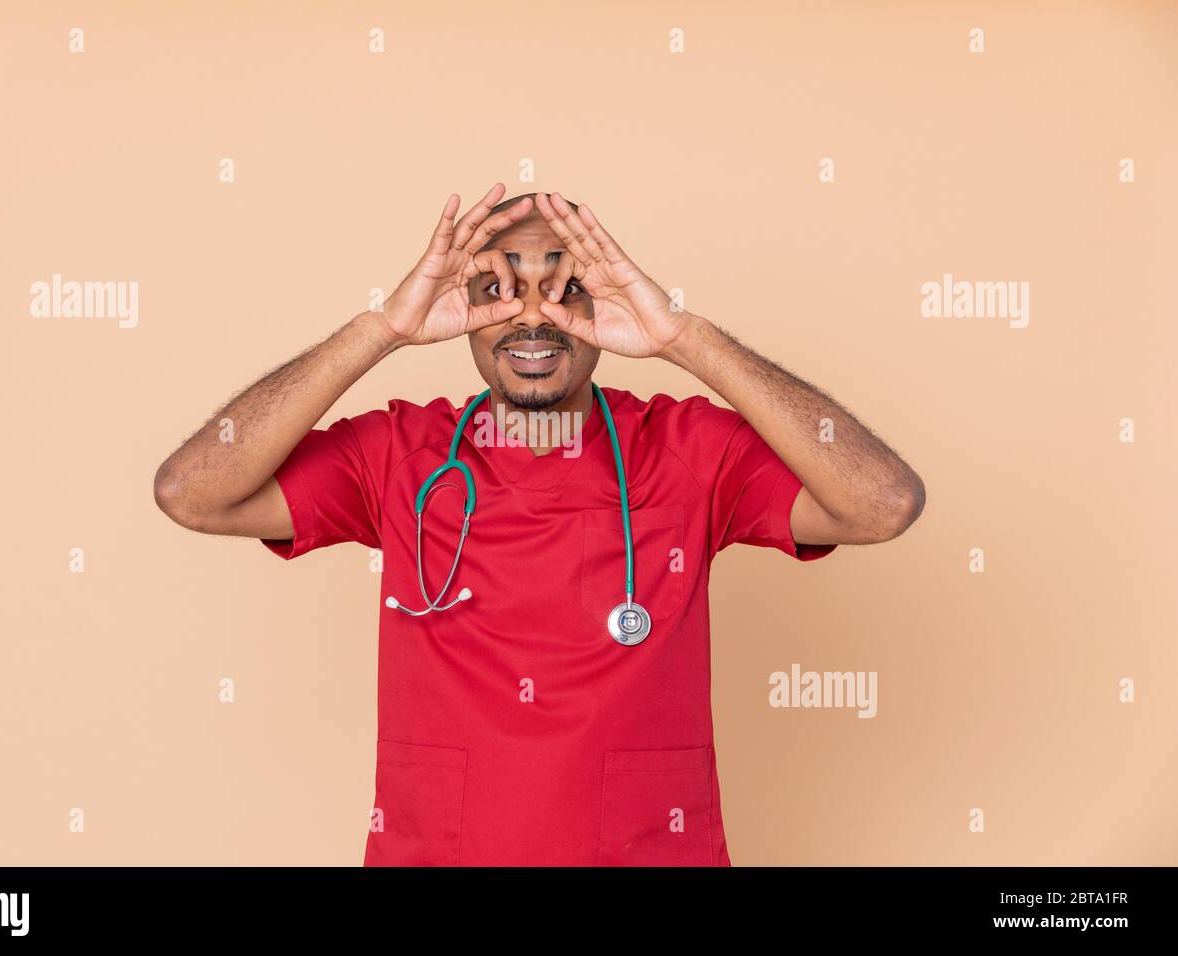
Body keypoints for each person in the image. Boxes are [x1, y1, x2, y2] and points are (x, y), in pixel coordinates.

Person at [153, 184, 925, 866]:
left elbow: (882, 503)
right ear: (461, 311)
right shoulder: (397, 456)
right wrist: (381, 329)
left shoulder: (688, 450)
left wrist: (684, 338)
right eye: (497, 287)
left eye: (564, 290)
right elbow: (193, 491)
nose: (531, 317)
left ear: (604, 309)